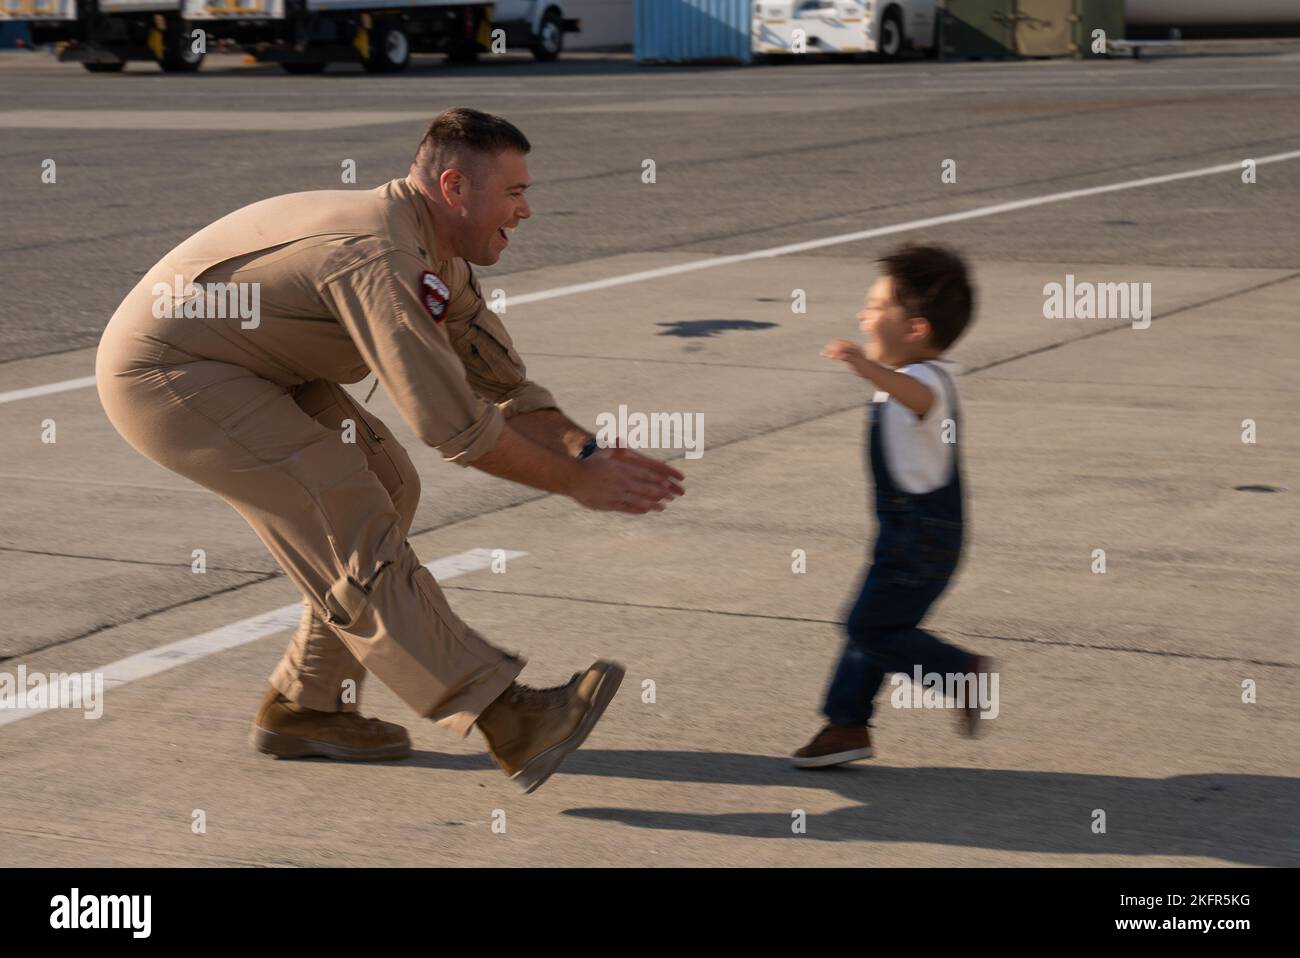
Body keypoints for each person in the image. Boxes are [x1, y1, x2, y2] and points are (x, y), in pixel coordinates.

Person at [95, 107, 684, 794]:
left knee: (388, 483)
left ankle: (308, 705)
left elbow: (504, 387)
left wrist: (585, 451)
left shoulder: (436, 252)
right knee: (347, 506)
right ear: (457, 188)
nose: (527, 211)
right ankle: (507, 717)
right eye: (516, 193)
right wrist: (572, 483)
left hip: (248, 364)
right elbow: (457, 431)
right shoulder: (381, 257)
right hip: (168, 375)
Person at [793, 244, 988, 768]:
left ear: (916, 329)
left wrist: (863, 367)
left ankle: (960, 673)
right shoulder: (908, 378)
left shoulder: (928, 382)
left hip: (922, 537)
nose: (864, 316)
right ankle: (846, 727)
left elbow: (916, 398)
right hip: (907, 535)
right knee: (876, 628)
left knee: (868, 628)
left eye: (877, 308)